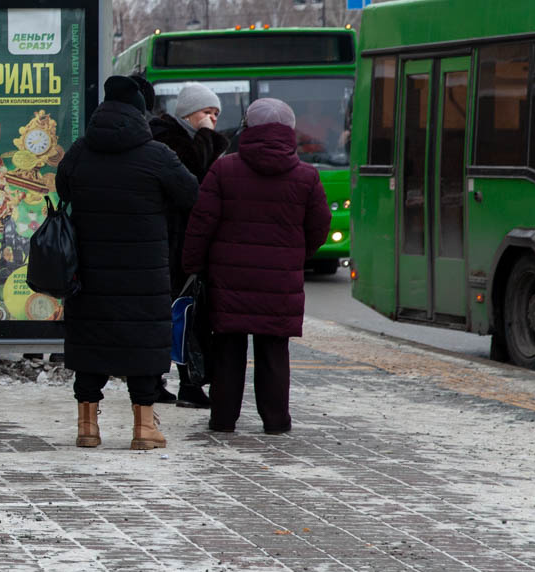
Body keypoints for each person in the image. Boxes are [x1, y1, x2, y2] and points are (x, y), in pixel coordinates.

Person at [55, 74, 200, 450]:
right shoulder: (157, 155)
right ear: (140, 112)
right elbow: (191, 195)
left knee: (90, 341)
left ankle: (87, 427)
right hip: (144, 272)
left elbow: (63, 189)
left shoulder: (80, 151)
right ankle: (144, 428)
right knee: (143, 344)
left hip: (90, 269)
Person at [180, 97, 331, 435]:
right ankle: (276, 422)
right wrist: (297, 254)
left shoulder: (224, 169)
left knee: (228, 350)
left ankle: (223, 419)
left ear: (248, 129)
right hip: (280, 281)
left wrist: (192, 264)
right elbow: (320, 225)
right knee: (274, 351)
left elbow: (202, 222)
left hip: (228, 278)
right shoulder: (306, 176)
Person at [148, 82, 226, 408]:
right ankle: (172, 382)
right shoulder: (171, 140)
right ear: (188, 113)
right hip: (170, 241)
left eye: (216, 114)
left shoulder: (186, 139)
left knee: (186, 313)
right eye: (206, 112)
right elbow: (196, 181)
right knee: (176, 313)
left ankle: (183, 382)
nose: (212, 119)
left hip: (184, 241)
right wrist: (208, 137)